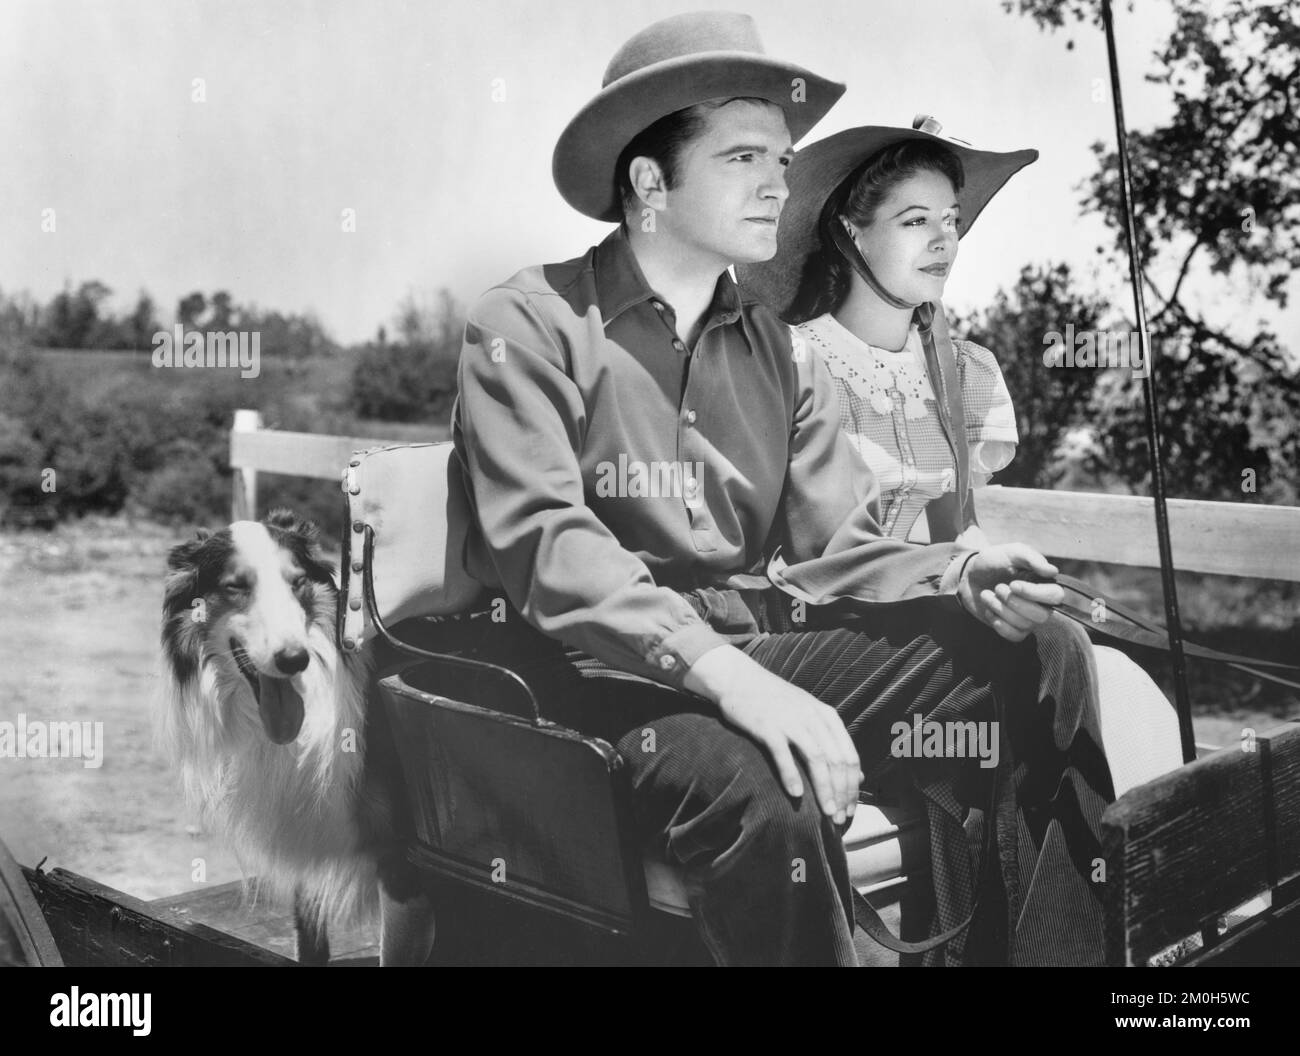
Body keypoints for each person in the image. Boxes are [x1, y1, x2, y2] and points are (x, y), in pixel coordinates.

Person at [451, 11, 1114, 966]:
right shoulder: (528, 322)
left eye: (784, 156)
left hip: (750, 647)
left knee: (1042, 651)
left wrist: (957, 573)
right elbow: (546, 546)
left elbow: (831, 546)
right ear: (649, 181)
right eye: (744, 157)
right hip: (588, 683)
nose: (780, 181)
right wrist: (737, 684)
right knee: (772, 792)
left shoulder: (769, 350)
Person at [739, 119, 1184, 797]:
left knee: (1093, 666)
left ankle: (1103, 889)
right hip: (823, 633)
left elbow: (960, 528)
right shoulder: (794, 361)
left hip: (934, 612)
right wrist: (960, 577)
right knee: (1047, 656)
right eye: (916, 220)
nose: (945, 238)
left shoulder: (961, 370)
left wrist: (999, 580)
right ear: (848, 233)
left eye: (950, 218)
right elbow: (811, 554)